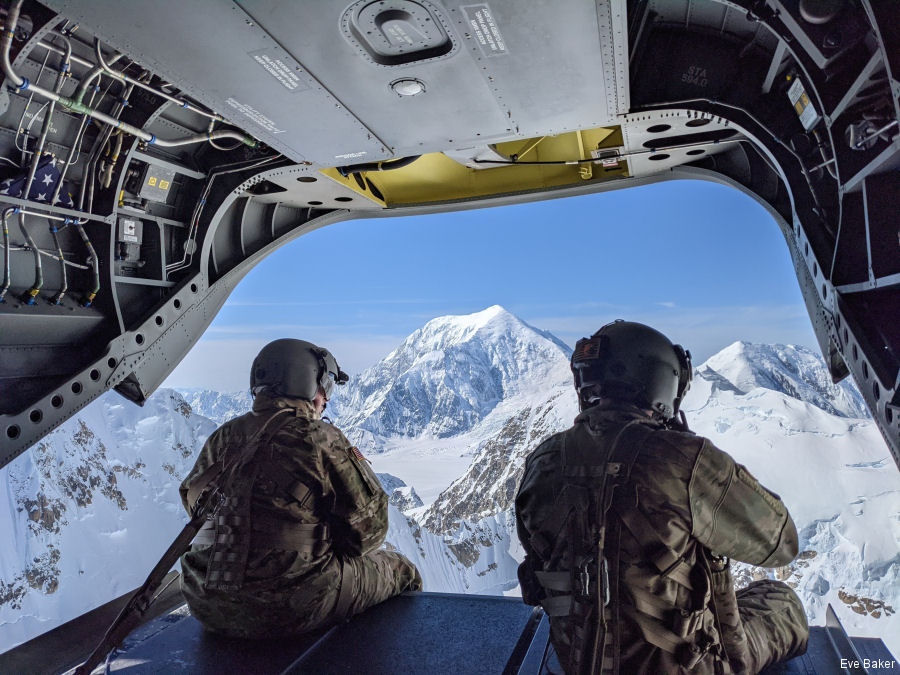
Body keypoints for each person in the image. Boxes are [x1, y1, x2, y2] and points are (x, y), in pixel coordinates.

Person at [515, 321, 808, 674]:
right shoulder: (684, 459)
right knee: (782, 600)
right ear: (662, 383)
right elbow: (781, 544)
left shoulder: (541, 462)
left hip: (574, 663)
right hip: (686, 665)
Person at [179, 338, 422, 638]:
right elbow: (370, 534)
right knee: (400, 567)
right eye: (325, 386)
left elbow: (193, 503)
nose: (326, 399)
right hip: (292, 608)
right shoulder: (321, 438)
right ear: (305, 382)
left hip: (206, 605)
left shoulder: (222, 437)